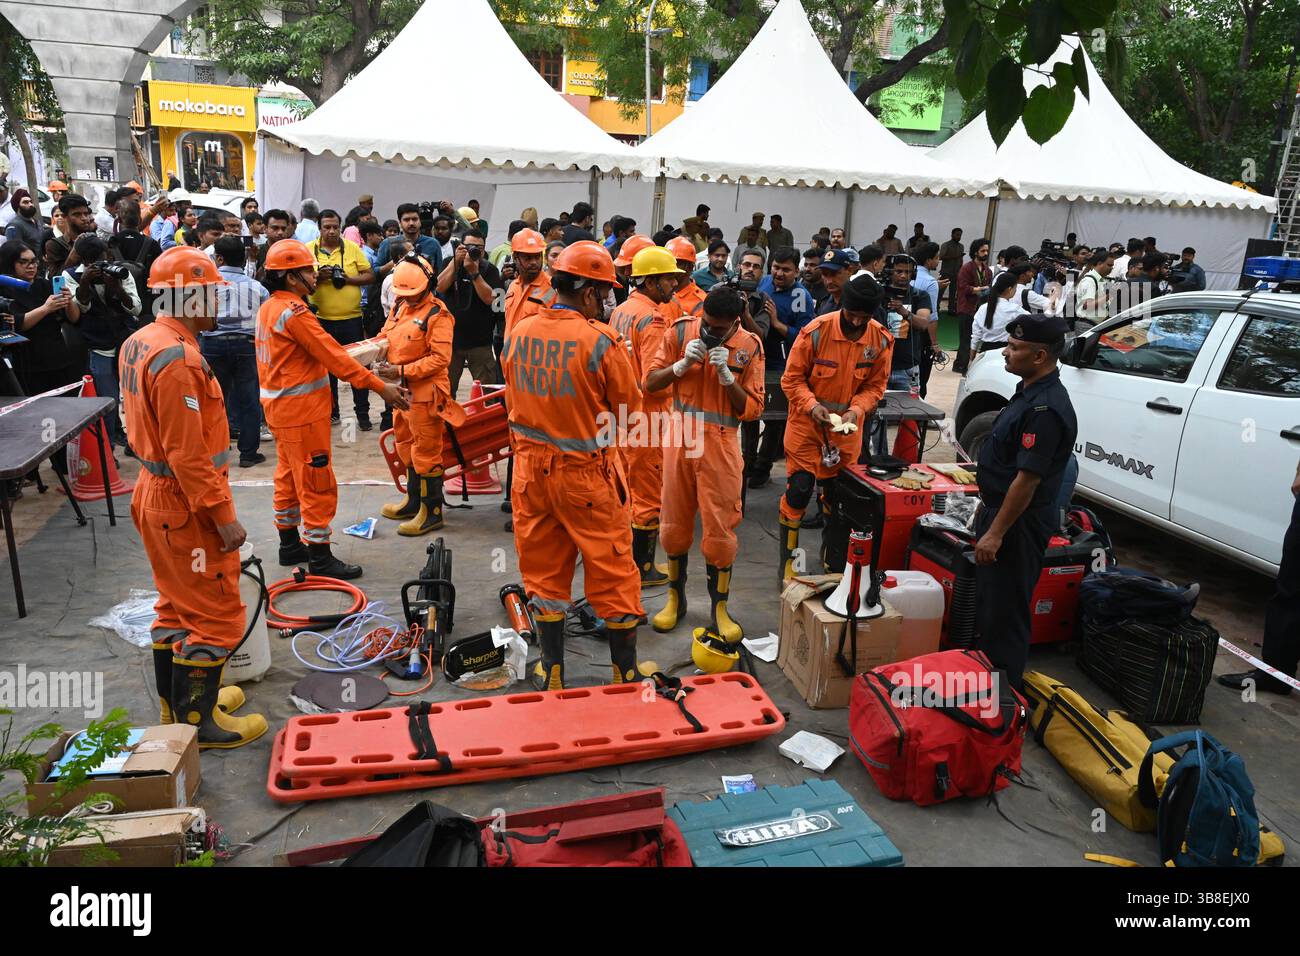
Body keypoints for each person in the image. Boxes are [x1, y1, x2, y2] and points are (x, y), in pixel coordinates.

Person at [121, 246, 267, 749]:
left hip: (155, 495)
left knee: (174, 606)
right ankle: (199, 723)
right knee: (214, 613)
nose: (217, 307)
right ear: (188, 295)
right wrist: (223, 517)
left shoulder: (142, 340)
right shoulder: (179, 360)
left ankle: (177, 704)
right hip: (185, 503)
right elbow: (187, 453)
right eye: (211, 296)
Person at [501, 241, 651, 689]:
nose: (606, 303)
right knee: (614, 571)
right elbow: (630, 417)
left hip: (528, 472)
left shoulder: (521, 331)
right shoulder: (600, 342)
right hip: (585, 476)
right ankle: (625, 675)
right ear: (588, 293)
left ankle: (553, 671)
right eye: (605, 294)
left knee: (544, 572)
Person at [256, 239, 410, 579]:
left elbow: (324, 353)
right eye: (308, 270)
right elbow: (335, 359)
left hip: (280, 411)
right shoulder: (296, 313)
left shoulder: (270, 307)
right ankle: (321, 556)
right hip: (301, 413)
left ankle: (289, 543)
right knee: (316, 481)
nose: (315, 275)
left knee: (287, 476)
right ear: (291, 277)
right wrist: (380, 386)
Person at [644, 285, 764, 651]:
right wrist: (680, 366)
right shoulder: (680, 332)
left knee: (720, 529)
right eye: (708, 324)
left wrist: (729, 379)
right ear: (702, 316)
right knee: (674, 524)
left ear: (735, 323)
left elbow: (753, 410)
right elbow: (649, 384)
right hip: (679, 437)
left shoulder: (750, 346)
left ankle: (720, 609)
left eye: (721, 328)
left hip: (721, 443)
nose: (712, 332)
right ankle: (675, 601)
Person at [973, 313, 1077, 687]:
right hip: (1001, 515)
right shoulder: (1029, 391)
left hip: (1016, 524)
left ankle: (1002, 703)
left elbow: (1026, 482)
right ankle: (986, 685)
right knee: (990, 607)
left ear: (1039, 356)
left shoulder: (1045, 409)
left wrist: (995, 533)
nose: (1005, 352)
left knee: (1006, 615)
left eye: (1015, 347)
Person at [778, 273, 893, 581]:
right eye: (852, 314)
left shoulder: (880, 340)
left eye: (864, 317)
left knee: (838, 497)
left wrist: (858, 410)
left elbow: (875, 385)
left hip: (846, 433)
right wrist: (812, 406)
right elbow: (791, 380)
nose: (856, 322)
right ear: (843, 305)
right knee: (799, 491)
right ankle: (791, 565)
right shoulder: (816, 332)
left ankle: (833, 561)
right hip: (807, 426)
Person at [608, 245, 683, 588]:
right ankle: (645, 565)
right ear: (651, 282)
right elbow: (653, 379)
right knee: (648, 495)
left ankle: (627, 555)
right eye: (668, 278)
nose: (673, 284)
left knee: (627, 487)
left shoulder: (622, 309)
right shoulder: (653, 318)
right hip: (648, 416)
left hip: (623, 415)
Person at [376, 255, 458, 535]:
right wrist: (370, 351)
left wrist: (400, 370)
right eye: (405, 294)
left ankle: (432, 512)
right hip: (402, 392)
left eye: (415, 293)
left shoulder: (439, 315)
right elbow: (385, 336)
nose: (410, 298)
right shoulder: (399, 307)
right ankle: (413, 501)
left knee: (426, 451)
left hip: (426, 394)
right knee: (405, 444)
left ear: (429, 285)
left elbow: (439, 359)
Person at [0, 239, 78, 476]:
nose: (30, 267)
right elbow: (17, 324)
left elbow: (73, 319)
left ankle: (62, 462)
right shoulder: (5, 290)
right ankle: (30, 470)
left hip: (57, 355)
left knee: (63, 414)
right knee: (35, 419)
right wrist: (45, 309)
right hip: (27, 362)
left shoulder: (46, 286)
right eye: (23, 262)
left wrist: (68, 301)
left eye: (33, 261)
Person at [63, 234, 142, 448]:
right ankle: (106, 449)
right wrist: (85, 283)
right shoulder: (71, 275)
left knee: (136, 398)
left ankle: (137, 443)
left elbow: (136, 308)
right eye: (93, 260)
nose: (100, 263)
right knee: (107, 400)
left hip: (126, 342)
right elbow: (80, 311)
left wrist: (117, 288)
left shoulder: (119, 273)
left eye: (103, 257)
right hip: (98, 345)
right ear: (84, 260)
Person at [747, 246, 815, 488]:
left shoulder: (801, 297)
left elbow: (805, 337)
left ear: (797, 271)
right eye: (776, 267)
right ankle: (747, 463)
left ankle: (762, 467)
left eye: (786, 270)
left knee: (775, 421)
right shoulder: (762, 284)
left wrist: (776, 324)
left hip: (780, 367)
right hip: (753, 363)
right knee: (750, 416)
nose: (779, 273)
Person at [201, 236, 268, 468]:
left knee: (214, 398)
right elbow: (266, 319)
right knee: (249, 398)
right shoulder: (257, 287)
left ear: (219, 258)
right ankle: (248, 453)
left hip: (212, 344)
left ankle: (214, 450)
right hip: (246, 346)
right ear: (244, 258)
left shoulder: (208, 285)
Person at [307, 209, 377, 428]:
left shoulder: (353, 248)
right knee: (326, 371)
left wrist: (347, 279)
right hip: (321, 320)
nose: (331, 231)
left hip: (352, 319)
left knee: (358, 367)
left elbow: (370, 276)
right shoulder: (308, 250)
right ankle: (332, 412)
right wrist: (318, 277)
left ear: (341, 227)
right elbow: (300, 280)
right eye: (326, 227)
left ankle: (363, 414)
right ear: (319, 228)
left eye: (335, 226)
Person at [439, 230, 502, 393]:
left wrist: (474, 272)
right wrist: (455, 262)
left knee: (487, 395)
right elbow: (439, 287)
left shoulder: (490, 270)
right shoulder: (449, 262)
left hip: (480, 343)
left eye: (478, 248)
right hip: (450, 342)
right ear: (460, 246)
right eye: (469, 246)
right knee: (445, 392)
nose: (474, 250)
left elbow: (492, 300)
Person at [501, 228, 552, 339]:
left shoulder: (551, 288)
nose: (533, 262)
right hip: (511, 353)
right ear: (515, 258)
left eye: (537, 257)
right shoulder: (513, 286)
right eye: (527, 258)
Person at [374, 204, 443, 282]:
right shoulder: (388, 243)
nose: (411, 223)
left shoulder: (433, 244)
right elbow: (375, 273)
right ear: (400, 223)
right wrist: (395, 262)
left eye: (415, 219)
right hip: (397, 291)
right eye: (406, 220)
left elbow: (439, 274)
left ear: (420, 221)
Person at [953, 238, 990, 374]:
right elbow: (962, 288)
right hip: (966, 308)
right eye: (983, 251)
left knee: (975, 337)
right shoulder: (966, 268)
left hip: (980, 308)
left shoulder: (987, 270)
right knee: (965, 338)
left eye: (987, 250)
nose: (986, 253)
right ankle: (960, 365)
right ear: (975, 252)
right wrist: (979, 289)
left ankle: (965, 364)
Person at [970, 270, 1022, 356]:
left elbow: (975, 337)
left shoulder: (983, 308)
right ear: (1010, 289)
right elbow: (1031, 320)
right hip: (1004, 351)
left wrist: (971, 359)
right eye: (1015, 288)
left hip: (985, 351)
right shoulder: (1015, 309)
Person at [664, 236, 706, 320]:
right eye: (667, 262)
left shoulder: (700, 301)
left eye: (675, 263)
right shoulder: (658, 292)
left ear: (689, 267)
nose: (670, 267)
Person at [1074, 248, 1114, 325]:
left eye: (1112, 266)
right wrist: (1110, 295)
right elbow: (1087, 305)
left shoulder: (1100, 280)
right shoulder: (1089, 280)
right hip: (1087, 325)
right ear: (1099, 263)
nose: (1111, 268)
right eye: (1109, 265)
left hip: (1095, 325)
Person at [813, 248, 858, 317]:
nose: (829, 281)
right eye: (824, 274)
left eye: (834, 274)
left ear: (849, 271)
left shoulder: (861, 302)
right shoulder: (823, 302)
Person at [939, 228, 964, 312]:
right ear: (952, 234)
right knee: (940, 291)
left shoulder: (961, 246)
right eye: (957, 234)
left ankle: (951, 309)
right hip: (946, 272)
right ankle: (936, 308)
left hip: (956, 273)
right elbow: (941, 257)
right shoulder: (946, 245)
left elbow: (960, 259)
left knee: (953, 292)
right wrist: (955, 257)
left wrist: (961, 270)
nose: (958, 236)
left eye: (960, 235)